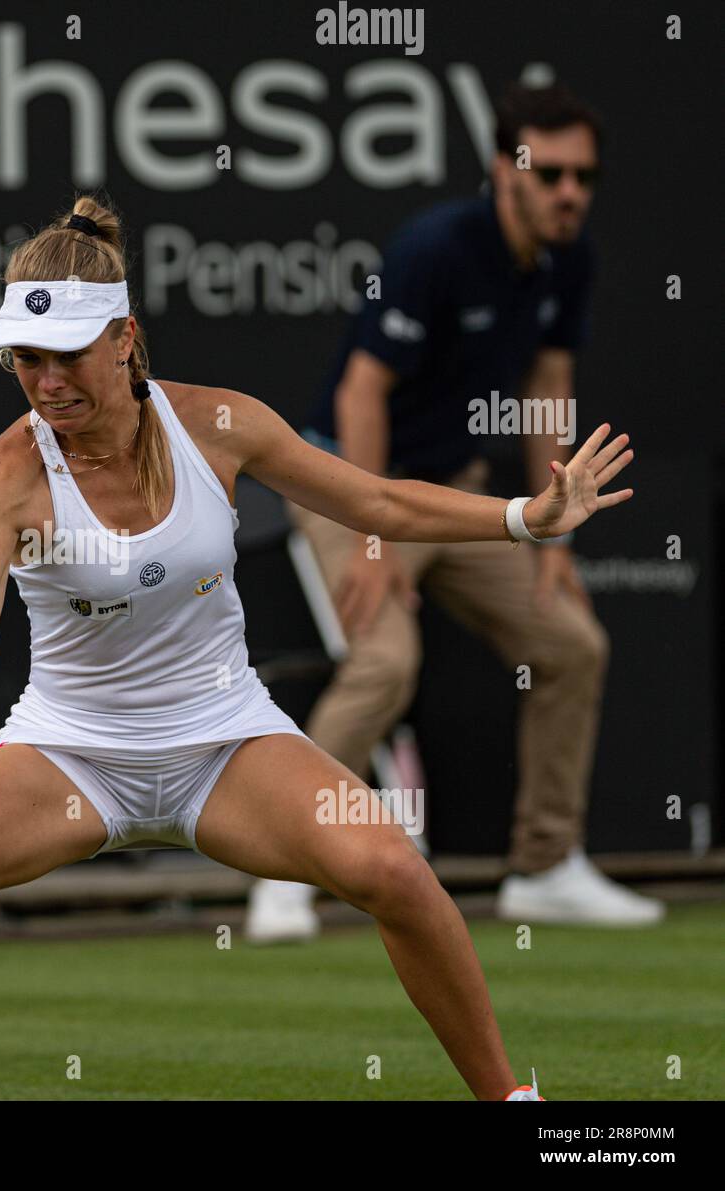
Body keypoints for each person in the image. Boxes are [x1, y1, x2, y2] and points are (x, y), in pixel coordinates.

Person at [0, 194, 633, 1102]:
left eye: (68, 356)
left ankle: (512, 1103)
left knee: (394, 867)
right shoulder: (2, 480)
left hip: (226, 738)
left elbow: (380, 505)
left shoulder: (220, 426)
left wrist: (528, 517)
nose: (47, 384)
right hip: (71, 753)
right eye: (26, 359)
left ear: (125, 338)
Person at [246, 83, 663, 944]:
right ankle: (286, 873)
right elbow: (365, 389)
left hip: (457, 491)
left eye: (583, 175)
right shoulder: (434, 247)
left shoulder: (567, 256)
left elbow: (548, 382)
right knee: (385, 663)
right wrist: (368, 536)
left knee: (573, 644)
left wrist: (554, 525)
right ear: (502, 170)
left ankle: (545, 868)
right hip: (351, 483)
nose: (569, 193)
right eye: (549, 173)